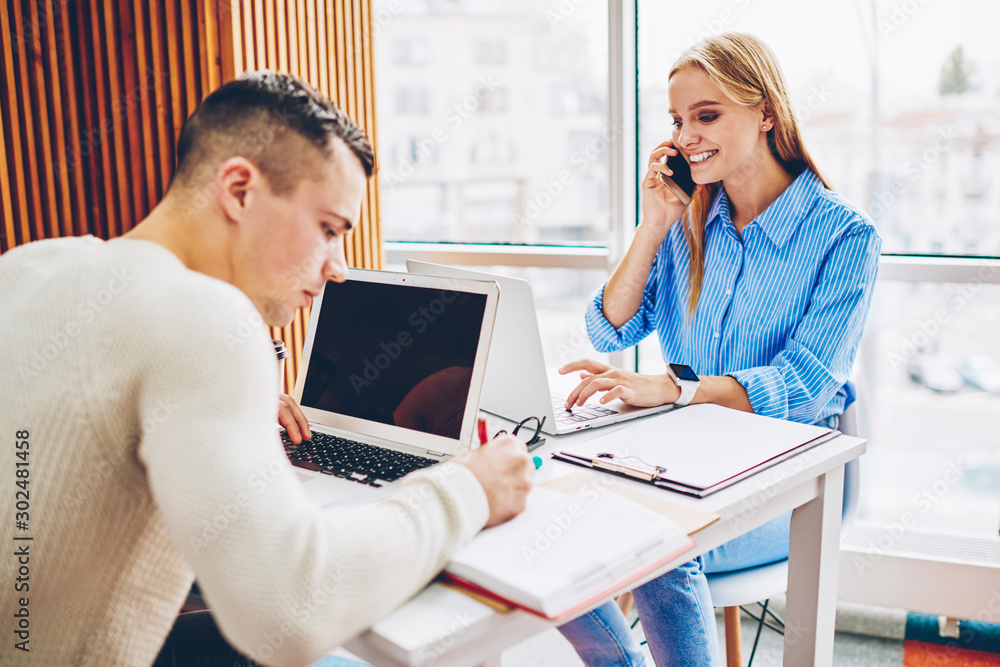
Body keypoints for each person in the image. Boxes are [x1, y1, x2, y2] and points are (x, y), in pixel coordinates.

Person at [0, 71, 533, 667]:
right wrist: (470, 490)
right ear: (238, 189)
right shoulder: (207, 317)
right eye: (329, 230)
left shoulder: (30, 265)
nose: (339, 269)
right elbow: (292, 609)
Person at [555, 33, 881, 666]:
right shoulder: (690, 218)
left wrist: (673, 390)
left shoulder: (845, 234)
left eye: (707, 116)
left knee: (656, 545)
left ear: (765, 112)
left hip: (793, 481)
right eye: (678, 120)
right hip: (684, 456)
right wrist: (655, 224)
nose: (686, 136)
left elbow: (807, 385)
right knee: (553, 518)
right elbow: (610, 329)